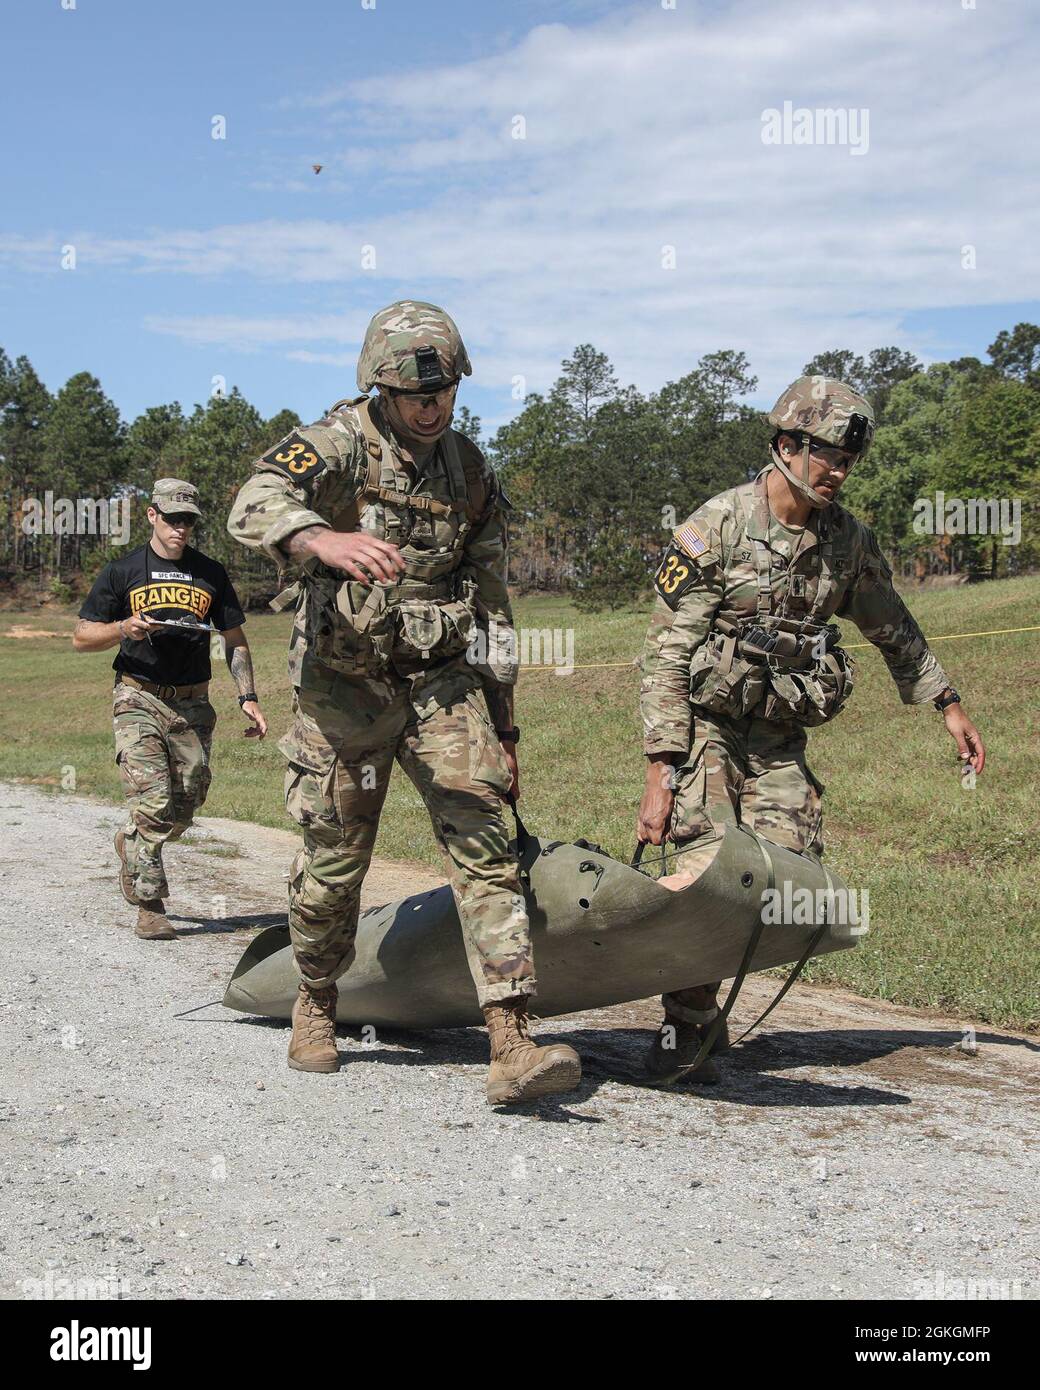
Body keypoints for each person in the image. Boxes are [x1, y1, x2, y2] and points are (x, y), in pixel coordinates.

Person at [227, 300, 580, 1104]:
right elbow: (252, 499)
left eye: (445, 391)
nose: (432, 406)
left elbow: (491, 598)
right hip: (344, 691)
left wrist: (505, 717)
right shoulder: (338, 443)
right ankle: (316, 1002)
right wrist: (320, 538)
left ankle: (512, 1040)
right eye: (416, 393)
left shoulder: (469, 468)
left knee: (486, 839)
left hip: (442, 683)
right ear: (380, 388)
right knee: (334, 863)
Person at [636, 375, 985, 1081]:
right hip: (706, 728)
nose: (839, 470)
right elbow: (667, 652)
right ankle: (687, 1028)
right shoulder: (718, 525)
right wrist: (660, 770)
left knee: (784, 877)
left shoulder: (847, 541)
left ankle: (703, 1010)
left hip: (778, 737)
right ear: (786, 446)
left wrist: (947, 702)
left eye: (849, 460)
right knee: (711, 870)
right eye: (827, 454)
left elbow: (892, 624)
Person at [74, 478, 268, 938]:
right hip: (137, 696)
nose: (180, 528)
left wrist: (248, 696)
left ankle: (131, 842)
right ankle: (150, 905)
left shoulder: (211, 574)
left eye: (188, 520)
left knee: (185, 805)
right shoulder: (123, 571)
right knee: (153, 802)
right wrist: (125, 628)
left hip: (193, 704)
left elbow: (235, 640)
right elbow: (82, 636)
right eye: (172, 517)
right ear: (152, 516)